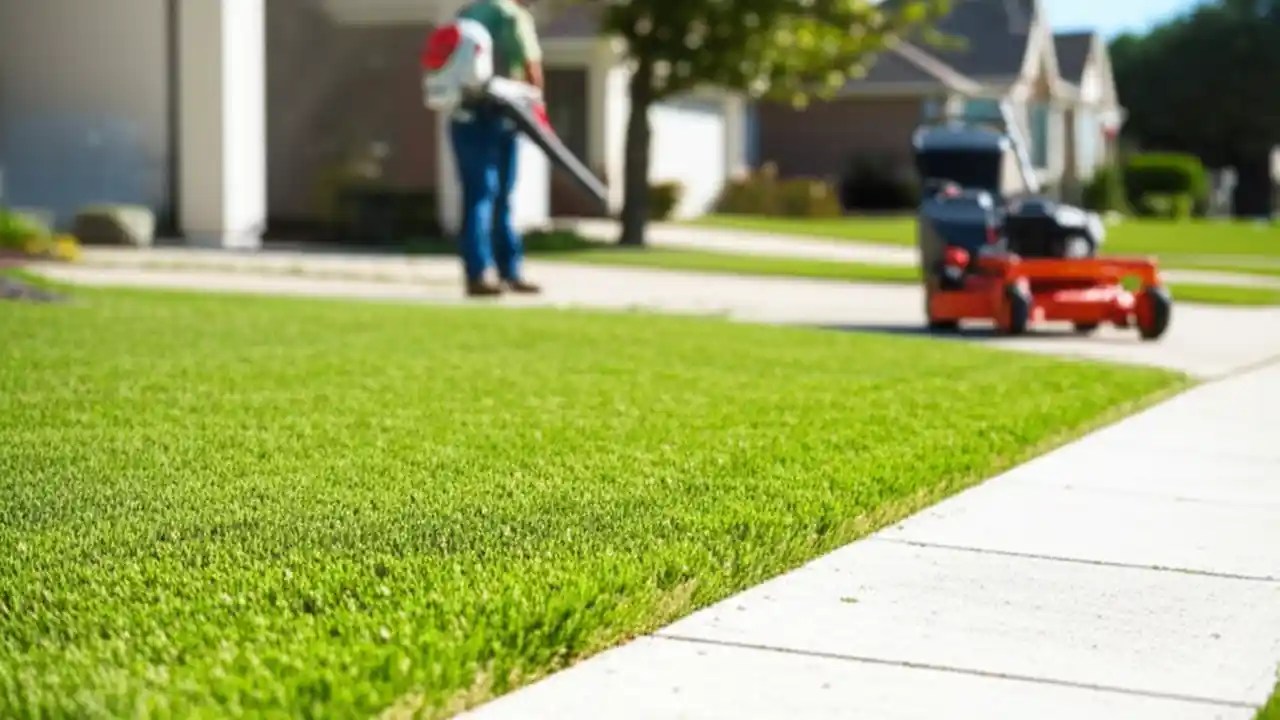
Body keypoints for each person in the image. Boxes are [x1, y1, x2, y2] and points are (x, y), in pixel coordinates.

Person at [451, 0, 545, 297]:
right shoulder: (513, 16)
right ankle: (505, 271)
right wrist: (539, 114)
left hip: (463, 115)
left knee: (478, 195)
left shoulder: (467, 13)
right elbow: (530, 69)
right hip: (501, 116)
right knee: (499, 195)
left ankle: (480, 272)